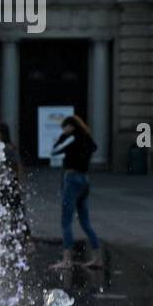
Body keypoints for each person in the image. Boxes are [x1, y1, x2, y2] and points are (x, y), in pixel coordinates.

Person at [49, 114, 103, 271]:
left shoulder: (71, 138)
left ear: (71, 126)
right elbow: (94, 148)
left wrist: (61, 137)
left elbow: (54, 151)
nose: (63, 130)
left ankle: (67, 260)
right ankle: (98, 258)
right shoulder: (87, 138)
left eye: (64, 127)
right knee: (85, 221)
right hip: (84, 180)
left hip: (72, 178)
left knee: (66, 221)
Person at [0, 122, 32, 254]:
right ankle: (0, 240)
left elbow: (18, 166)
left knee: (16, 213)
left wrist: (19, 184)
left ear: (4, 134)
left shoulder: (8, 148)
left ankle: (27, 242)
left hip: (10, 185)